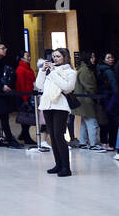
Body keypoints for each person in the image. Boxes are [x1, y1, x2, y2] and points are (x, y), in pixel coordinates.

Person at [38, 47, 77, 177]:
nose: (55, 58)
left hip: (60, 106)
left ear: (65, 57)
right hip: (47, 105)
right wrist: (42, 71)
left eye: (58, 56)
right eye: (54, 56)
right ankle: (58, 164)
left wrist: (54, 72)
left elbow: (67, 88)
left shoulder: (70, 72)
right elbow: (39, 86)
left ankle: (66, 167)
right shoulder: (50, 70)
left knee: (59, 135)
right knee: (53, 137)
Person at [72, 51, 101, 150]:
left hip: (82, 100)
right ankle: (94, 144)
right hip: (86, 100)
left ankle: (83, 142)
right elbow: (89, 86)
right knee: (92, 122)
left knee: (84, 122)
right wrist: (95, 94)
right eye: (92, 57)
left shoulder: (82, 68)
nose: (94, 59)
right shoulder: (85, 70)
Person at [98, 51, 119, 150]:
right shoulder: (109, 71)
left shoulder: (98, 69)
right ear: (103, 60)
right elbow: (114, 87)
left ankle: (104, 142)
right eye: (108, 58)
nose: (111, 59)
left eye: (112, 57)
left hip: (102, 98)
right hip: (110, 99)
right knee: (112, 122)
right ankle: (112, 143)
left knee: (104, 122)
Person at [15, 51, 37, 145]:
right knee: (26, 118)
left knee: (27, 117)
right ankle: (26, 136)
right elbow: (21, 85)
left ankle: (24, 134)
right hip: (25, 97)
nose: (29, 57)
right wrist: (24, 99)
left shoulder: (28, 68)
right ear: (22, 58)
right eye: (27, 56)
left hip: (30, 95)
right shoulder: (20, 69)